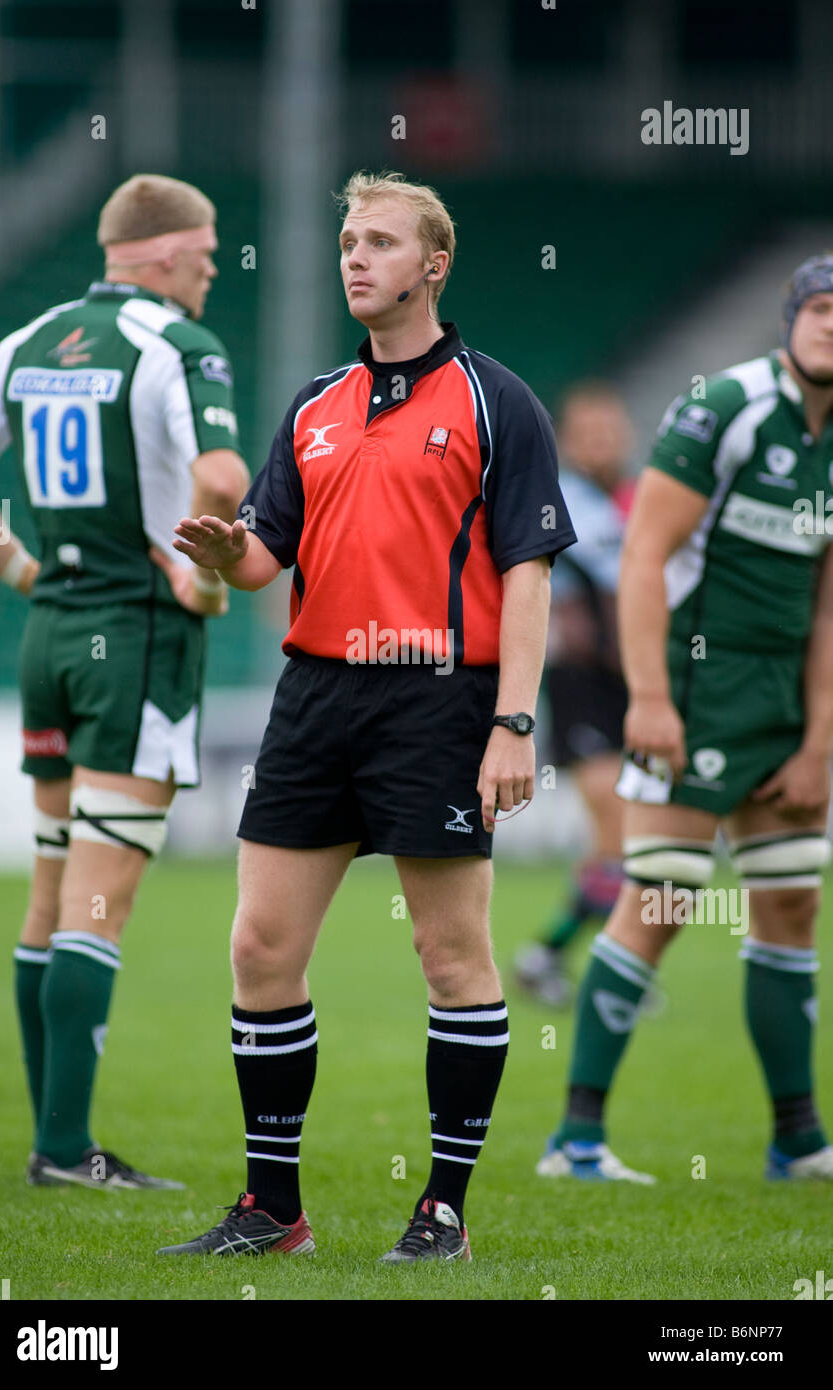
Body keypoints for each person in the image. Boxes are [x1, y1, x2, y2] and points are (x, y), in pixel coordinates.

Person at [158, 170, 576, 1261]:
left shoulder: (497, 398)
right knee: (259, 948)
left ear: (431, 265)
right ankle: (271, 1209)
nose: (355, 257)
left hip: (439, 699)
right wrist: (223, 553)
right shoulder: (311, 405)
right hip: (315, 696)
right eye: (347, 239)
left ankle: (441, 1209)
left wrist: (512, 722)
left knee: (450, 959)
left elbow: (528, 570)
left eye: (379, 241)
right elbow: (262, 560)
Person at [0, 173, 249, 1188]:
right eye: (207, 251)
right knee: (99, 906)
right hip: (136, 636)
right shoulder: (179, 344)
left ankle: (54, 1145)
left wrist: (21, 569)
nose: (215, 268)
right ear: (166, 251)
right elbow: (219, 481)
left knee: (50, 893)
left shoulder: (33, 338)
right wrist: (197, 571)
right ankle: (63, 1150)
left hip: (52, 629)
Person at [538, 254, 833, 1184]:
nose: (832, 325)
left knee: (790, 905)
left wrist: (821, 739)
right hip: (694, 691)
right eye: (820, 309)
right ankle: (576, 1142)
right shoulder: (728, 409)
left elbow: (827, 605)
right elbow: (643, 558)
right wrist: (654, 698)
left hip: (783, 703)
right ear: (789, 320)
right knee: (661, 898)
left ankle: (797, 1140)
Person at [514, 383, 639, 1008]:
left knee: (629, 844)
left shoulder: (635, 501)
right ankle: (603, 969)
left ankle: (553, 956)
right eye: (590, 432)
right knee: (619, 831)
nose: (603, 441)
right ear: (568, 439)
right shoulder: (560, 503)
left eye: (611, 429)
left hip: (638, 686)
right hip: (581, 685)